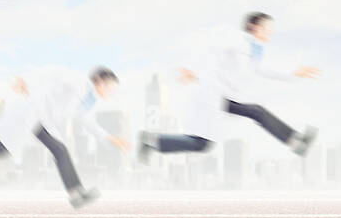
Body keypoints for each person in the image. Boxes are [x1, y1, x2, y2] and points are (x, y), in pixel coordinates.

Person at [137, 11, 319, 163]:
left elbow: (267, 69)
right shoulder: (238, 38)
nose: (269, 33)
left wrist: (294, 73)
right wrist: (192, 68)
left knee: (257, 112)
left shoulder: (254, 51)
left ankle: (296, 142)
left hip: (223, 96)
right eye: (266, 28)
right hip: (210, 91)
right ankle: (151, 141)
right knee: (203, 143)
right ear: (254, 27)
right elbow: (209, 42)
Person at [0, 66, 128, 208]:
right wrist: (26, 81)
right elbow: (51, 73)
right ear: (99, 80)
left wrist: (109, 138)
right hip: (30, 113)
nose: (109, 92)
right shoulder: (78, 80)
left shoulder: (87, 100)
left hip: (40, 120)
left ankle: (76, 194)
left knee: (56, 150)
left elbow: (87, 121)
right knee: (3, 150)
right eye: (109, 87)